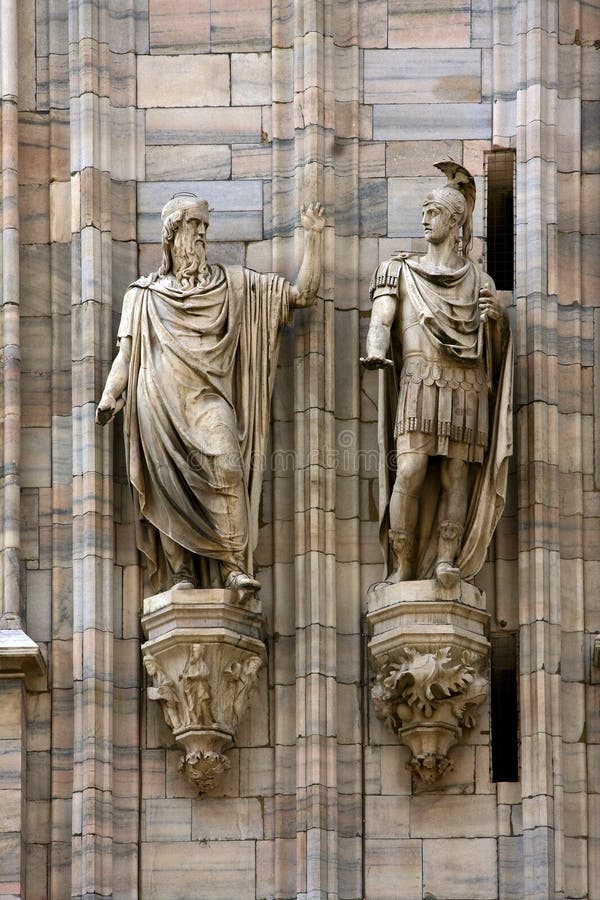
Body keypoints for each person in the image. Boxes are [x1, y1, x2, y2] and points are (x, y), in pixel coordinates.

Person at [97, 194, 324, 594]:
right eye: (194, 225)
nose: (202, 233)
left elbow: (301, 295)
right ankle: (180, 572)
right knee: (165, 483)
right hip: (157, 402)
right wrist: (111, 395)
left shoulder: (232, 283)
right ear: (172, 233)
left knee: (228, 468)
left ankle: (234, 564)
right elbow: (126, 354)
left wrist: (315, 239)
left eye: (204, 225)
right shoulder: (143, 295)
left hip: (208, 400)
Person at [362, 163, 512, 589]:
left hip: (464, 381)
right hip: (418, 377)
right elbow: (382, 318)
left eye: (432, 212)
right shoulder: (399, 270)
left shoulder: (479, 280)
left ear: (454, 221)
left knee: (456, 474)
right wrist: (374, 349)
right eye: (425, 211)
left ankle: (446, 558)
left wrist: (496, 321)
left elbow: (495, 352)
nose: (424, 219)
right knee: (409, 469)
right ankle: (402, 562)